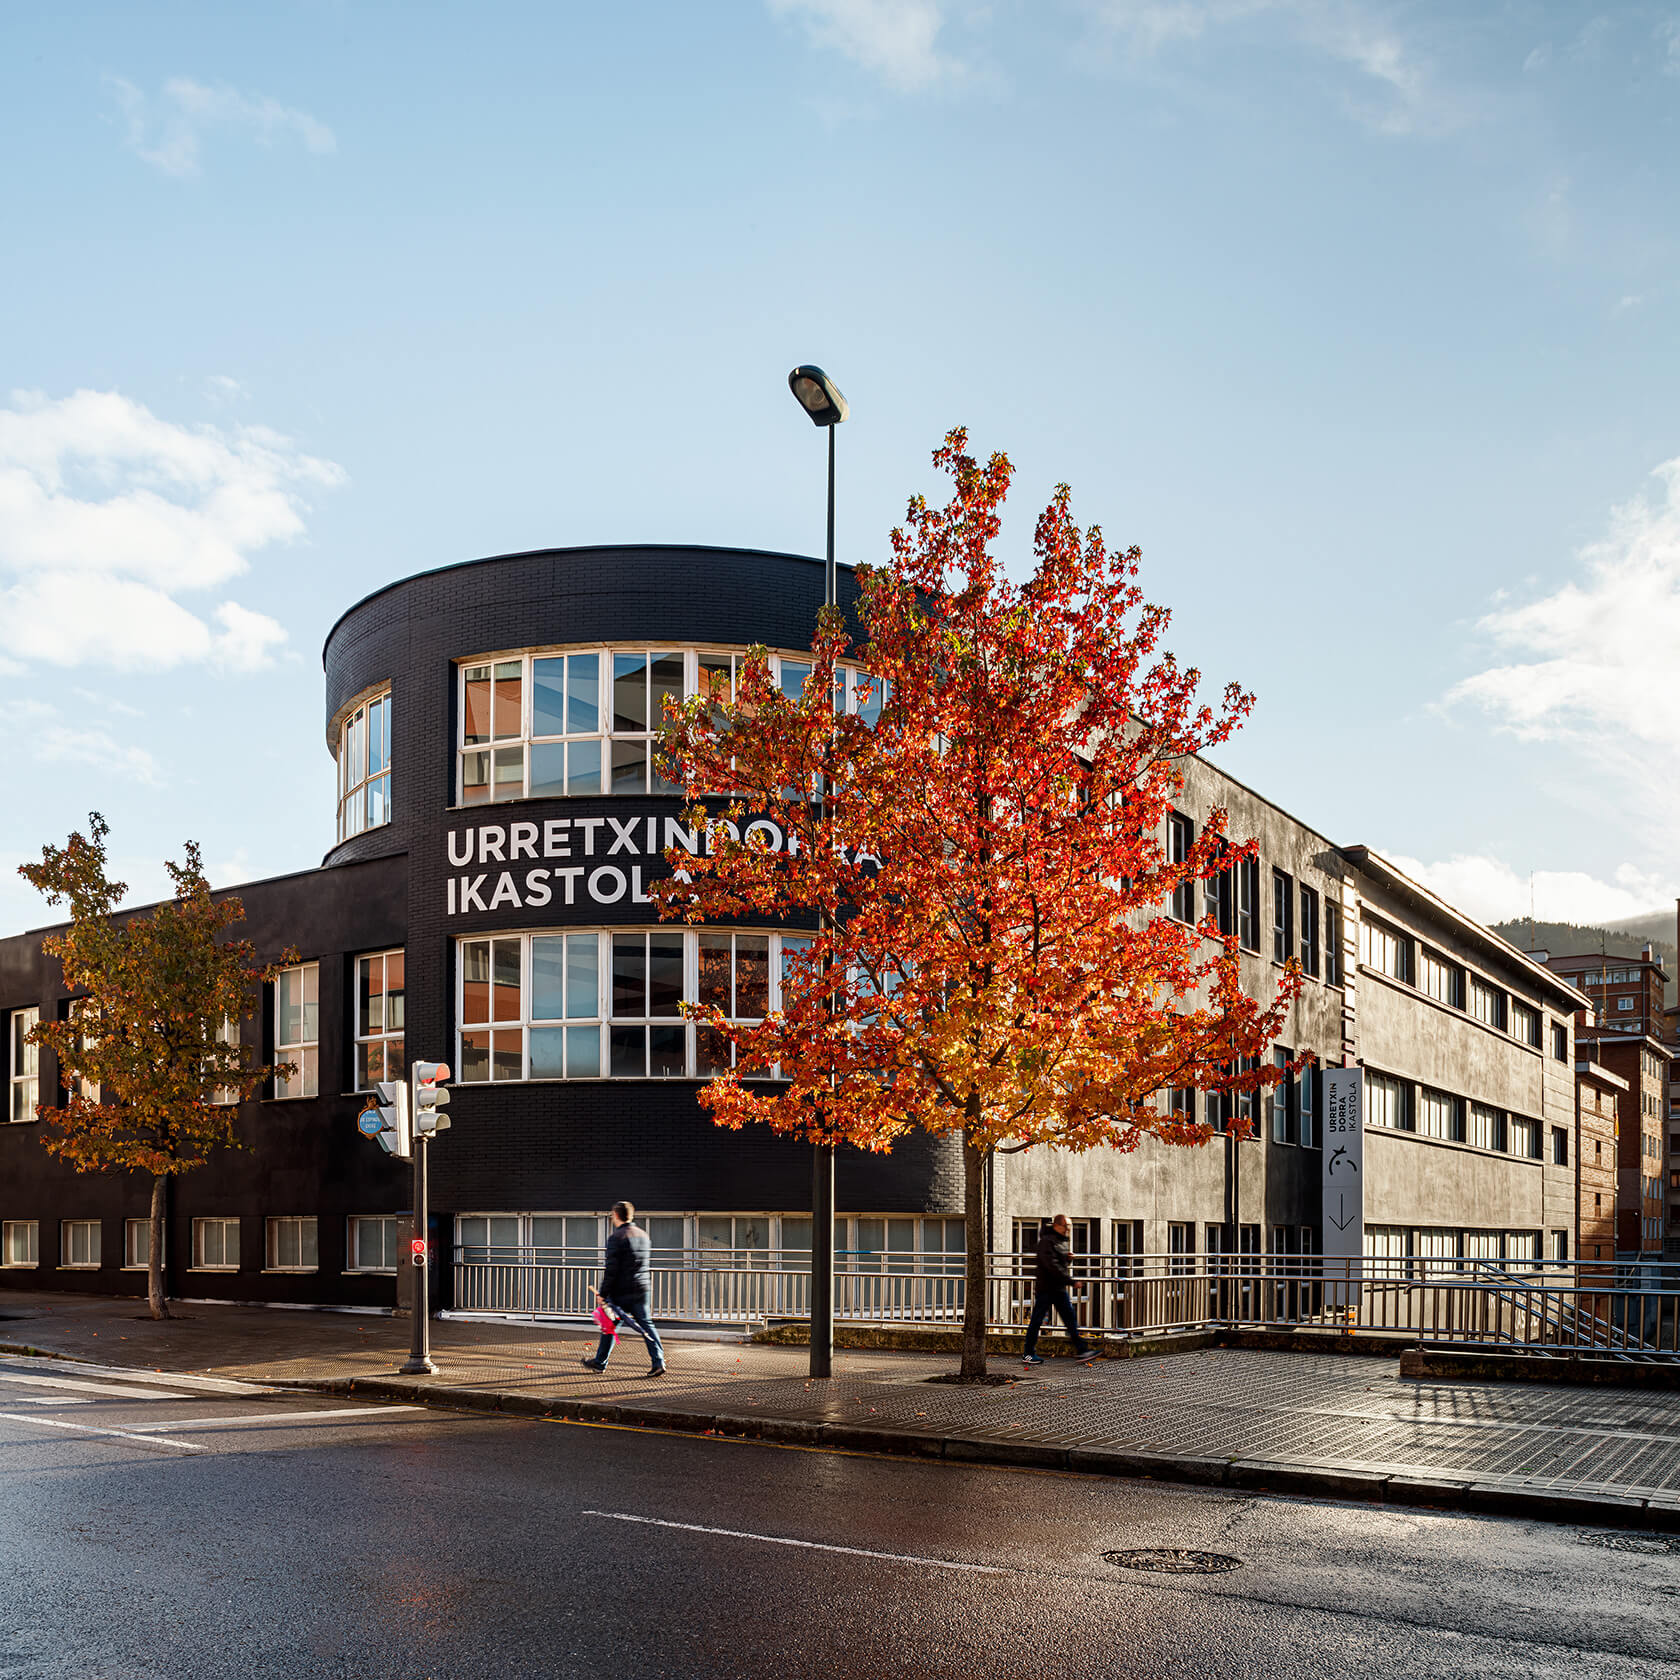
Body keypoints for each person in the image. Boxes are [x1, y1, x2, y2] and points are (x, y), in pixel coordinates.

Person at [581, 1200, 666, 1376]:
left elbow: (611, 1269)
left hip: (620, 1292)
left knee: (610, 1325)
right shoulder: (643, 1235)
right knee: (647, 1325)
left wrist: (603, 1294)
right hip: (642, 1289)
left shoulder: (616, 1237)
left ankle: (600, 1362)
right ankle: (658, 1362)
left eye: (612, 1214)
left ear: (616, 1215)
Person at [1022, 1214, 1097, 1366]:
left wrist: (1067, 1259)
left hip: (1057, 1287)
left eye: (1069, 1226)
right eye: (1066, 1226)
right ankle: (1028, 1353)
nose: (1068, 1229)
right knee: (1037, 1320)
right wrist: (1071, 1281)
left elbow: (1057, 1263)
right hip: (1047, 1288)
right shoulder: (1047, 1241)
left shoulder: (1058, 1240)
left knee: (1069, 1318)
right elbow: (1051, 1265)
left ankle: (1082, 1350)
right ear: (1057, 1226)